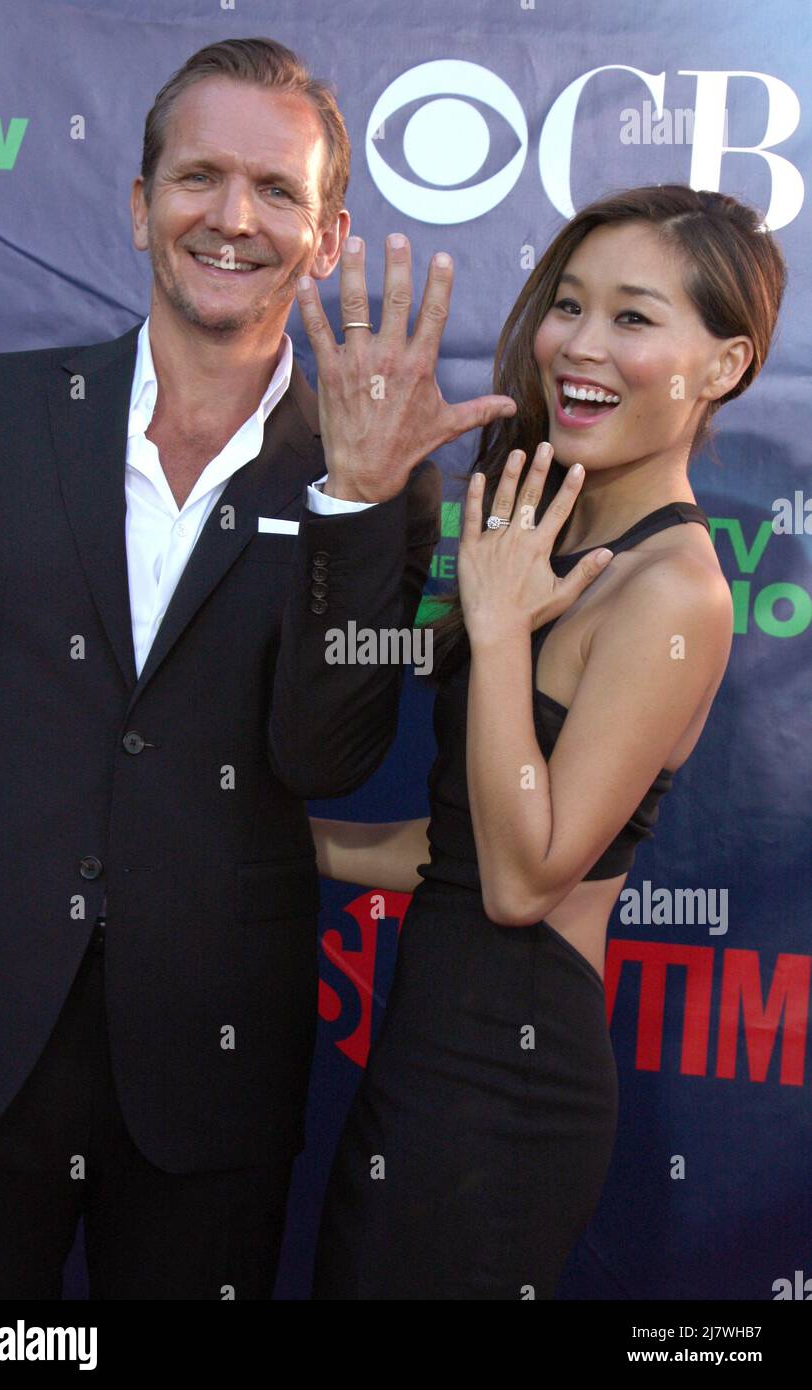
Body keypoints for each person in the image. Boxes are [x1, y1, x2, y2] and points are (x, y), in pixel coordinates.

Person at [0, 37, 517, 1300]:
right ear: (140, 201)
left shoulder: (374, 468)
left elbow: (322, 755)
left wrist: (358, 502)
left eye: (277, 191)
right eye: (200, 176)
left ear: (325, 238)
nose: (233, 217)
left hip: (207, 1060)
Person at [307, 185, 787, 1299]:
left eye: (632, 316)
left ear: (719, 366)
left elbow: (523, 881)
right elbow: (464, 843)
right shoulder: (542, 529)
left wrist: (495, 629)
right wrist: (288, 833)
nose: (577, 341)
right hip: (424, 1059)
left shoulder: (675, 594)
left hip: (504, 1095)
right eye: (568, 304)